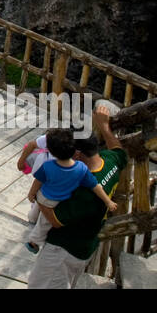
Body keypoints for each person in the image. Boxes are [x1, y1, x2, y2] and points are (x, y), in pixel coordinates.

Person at [27, 109, 127, 288]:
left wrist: (39, 196)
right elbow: (119, 150)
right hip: (84, 247)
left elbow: (54, 219)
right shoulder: (109, 162)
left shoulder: (85, 192)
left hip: (62, 251)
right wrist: (105, 126)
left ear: (77, 154)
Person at [25, 131, 116, 254]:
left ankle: (33, 229)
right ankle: (34, 233)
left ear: (52, 152)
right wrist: (108, 201)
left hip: (44, 196)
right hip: (58, 200)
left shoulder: (48, 166)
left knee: (40, 213)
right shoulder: (81, 168)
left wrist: (31, 193)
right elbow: (95, 186)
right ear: (76, 152)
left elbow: (38, 181)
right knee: (44, 222)